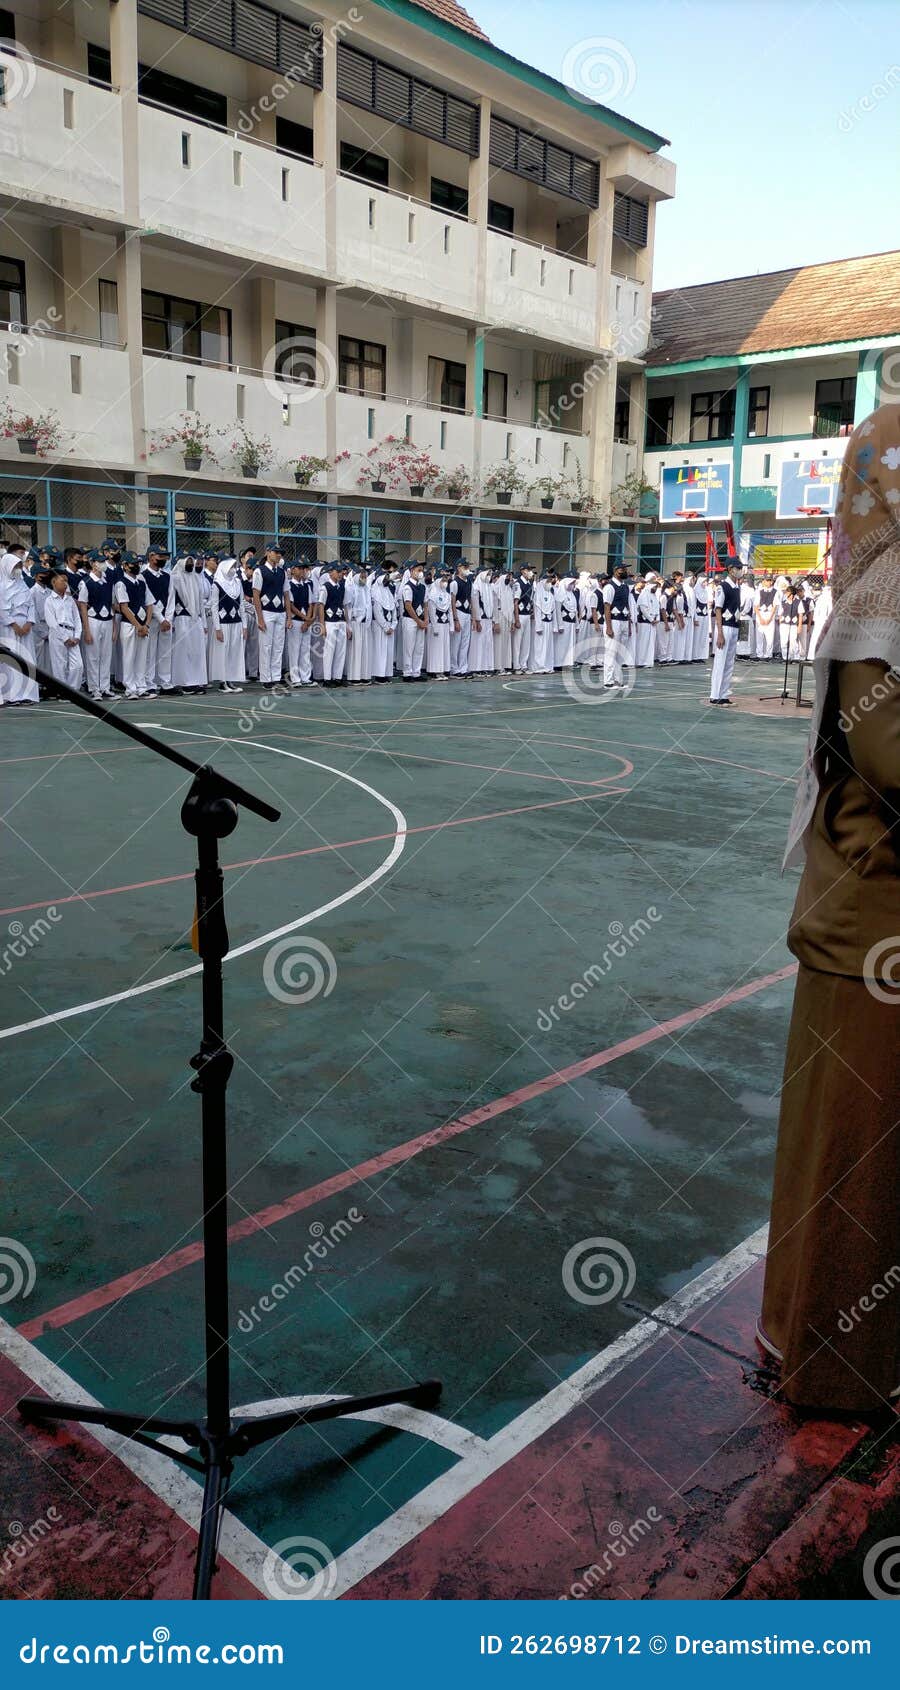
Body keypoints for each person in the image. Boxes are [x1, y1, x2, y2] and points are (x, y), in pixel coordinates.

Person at [760, 402, 900, 1412]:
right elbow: (891, 760)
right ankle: (842, 1367)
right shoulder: (883, 599)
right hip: (873, 933)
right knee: (855, 1167)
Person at [0, 549, 39, 705]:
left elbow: (31, 605)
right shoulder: (1, 586)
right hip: (9, 628)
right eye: (14, 566)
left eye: (19, 566)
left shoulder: (23, 585)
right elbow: (2, 609)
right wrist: (14, 625)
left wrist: (29, 623)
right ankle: (12, 695)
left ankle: (27, 694)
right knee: (11, 659)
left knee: (27, 658)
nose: (17, 569)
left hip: (26, 627)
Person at [77, 551, 115, 700]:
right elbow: (83, 606)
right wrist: (86, 630)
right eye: (100, 561)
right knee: (93, 656)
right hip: (93, 620)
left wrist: (114, 627)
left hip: (108, 620)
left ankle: (105, 687)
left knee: (106, 655)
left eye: (104, 561)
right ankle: (94, 688)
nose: (103, 564)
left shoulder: (108, 581)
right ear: (93, 563)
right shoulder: (85, 582)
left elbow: (112, 605)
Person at [114, 552, 152, 699]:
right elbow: (124, 607)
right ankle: (130, 688)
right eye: (133, 564)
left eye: (138, 563)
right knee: (129, 657)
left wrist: (146, 624)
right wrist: (138, 626)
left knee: (141, 657)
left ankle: (141, 686)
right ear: (125, 566)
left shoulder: (142, 582)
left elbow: (149, 604)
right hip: (129, 625)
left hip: (143, 625)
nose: (136, 566)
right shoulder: (121, 583)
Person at [207, 555, 245, 692]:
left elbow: (241, 605)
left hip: (236, 622)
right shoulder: (217, 584)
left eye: (234, 567)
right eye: (231, 567)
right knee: (223, 652)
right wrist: (217, 628)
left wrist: (244, 626)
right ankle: (222, 681)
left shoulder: (237, 583)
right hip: (223, 623)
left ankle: (230, 679)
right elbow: (214, 607)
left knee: (234, 652)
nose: (233, 570)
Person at [253, 543, 289, 686]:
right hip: (266, 611)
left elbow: (286, 594)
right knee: (266, 646)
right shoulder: (260, 571)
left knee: (278, 646)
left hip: (280, 612)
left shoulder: (282, 572)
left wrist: (288, 617)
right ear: (268, 553)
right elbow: (256, 594)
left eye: (280, 553)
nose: (279, 555)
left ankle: (276, 676)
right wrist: (260, 618)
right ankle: (266, 678)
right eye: (276, 552)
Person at [170, 555, 207, 693]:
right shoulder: (175, 578)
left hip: (196, 619)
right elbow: (171, 600)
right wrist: (170, 620)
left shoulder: (195, 577)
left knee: (196, 651)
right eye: (188, 561)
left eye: (192, 561)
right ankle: (184, 682)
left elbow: (200, 602)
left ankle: (196, 680)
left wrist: (203, 623)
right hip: (181, 619)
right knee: (183, 652)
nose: (191, 564)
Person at [708, 558, 742, 705]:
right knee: (720, 661)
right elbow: (718, 609)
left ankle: (723, 694)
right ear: (730, 569)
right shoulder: (723, 586)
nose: (740, 570)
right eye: (737, 568)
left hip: (734, 626)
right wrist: (720, 633)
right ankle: (715, 695)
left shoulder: (737, 587)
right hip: (725, 627)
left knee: (729, 663)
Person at [44, 568, 84, 689]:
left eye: (67, 581)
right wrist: (65, 638)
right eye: (63, 581)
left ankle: (73, 689)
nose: (66, 584)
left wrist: (77, 636)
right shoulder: (49, 600)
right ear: (54, 582)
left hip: (72, 633)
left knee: (78, 665)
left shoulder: (70, 600)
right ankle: (62, 691)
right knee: (60, 665)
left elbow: (77, 619)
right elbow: (52, 622)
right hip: (58, 634)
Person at [143, 547, 174, 694]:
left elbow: (171, 598)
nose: (163, 560)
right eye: (160, 557)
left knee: (165, 652)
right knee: (149, 652)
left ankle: (165, 681)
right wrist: (161, 619)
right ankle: (149, 682)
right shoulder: (143, 576)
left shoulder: (167, 576)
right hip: (152, 619)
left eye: (165, 557)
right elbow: (148, 600)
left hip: (166, 621)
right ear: (151, 556)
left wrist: (168, 619)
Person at [317, 560, 349, 686]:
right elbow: (321, 605)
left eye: (342, 572)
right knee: (329, 651)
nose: (340, 574)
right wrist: (322, 625)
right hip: (329, 622)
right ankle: (327, 678)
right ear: (331, 572)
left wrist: (347, 624)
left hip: (340, 620)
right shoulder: (325, 587)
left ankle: (337, 677)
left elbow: (344, 605)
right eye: (338, 571)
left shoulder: (342, 586)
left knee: (341, 651)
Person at [602, 562, 633, 688]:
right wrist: (609, 627)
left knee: (620, 653)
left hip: (624, 620)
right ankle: (608, 681)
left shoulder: (625, 587)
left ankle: (618, 680)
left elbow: (628, 606)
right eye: (623, 569)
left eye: (625, 569)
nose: (625, 571)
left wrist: (629, 626)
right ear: (616, 571)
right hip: (614, 621)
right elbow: (607, 607)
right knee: (611, 652)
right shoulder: (609, 587)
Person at [286, 562, 315, 686]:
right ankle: (295, 678)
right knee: (294, 650)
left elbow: (310, 604)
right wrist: (304, 618)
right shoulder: (289, 585)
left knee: (305, 650)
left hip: (305, 622)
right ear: (293, 570)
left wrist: (307, 621)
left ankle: (305, 677)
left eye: (304, 568)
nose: (303, 571)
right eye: (300, 568)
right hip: (296, 620)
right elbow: (290, 605)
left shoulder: (306, 586)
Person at [370, 565, 398, 683]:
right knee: (380, 650)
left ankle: (386, 673)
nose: (387, 581)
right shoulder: (375, 592)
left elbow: (394, 610)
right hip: (379, 626)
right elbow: (377, 612)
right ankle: (379, 675)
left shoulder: (389, 592)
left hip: (390, 626)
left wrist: (393, 625)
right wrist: (386, 627)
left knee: (388, 651)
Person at [400, 560, 427, 681]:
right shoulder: (407, 587)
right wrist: (418, 621)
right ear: (412, 571)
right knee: (409, 647)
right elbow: (408, 606)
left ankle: (416, 672)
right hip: (410, 620)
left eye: (422, 570)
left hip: (420, 619)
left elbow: (425, 604)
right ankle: (407, 673)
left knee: (419, 647)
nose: (421, 572)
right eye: (418, 570)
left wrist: (425, 619)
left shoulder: (422, 587)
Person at [346, 564, 372, 683]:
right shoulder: (351, 588)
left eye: (365, 576)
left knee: (364, 650)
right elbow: (348, 607)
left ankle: (364, 676)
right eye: (361, 576)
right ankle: (354, 677)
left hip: (364, 624)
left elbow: (368, 606)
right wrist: (349, 625)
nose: (364, 578)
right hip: (354, 623)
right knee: (355, 651)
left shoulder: (366, 589)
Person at [425, 569, 453, 679]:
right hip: (436, 625)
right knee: (436, 648)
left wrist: (451, 626)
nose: (444, 583)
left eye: (446, 581)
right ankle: (435, 671)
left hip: (445, 625)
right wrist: (435, 626)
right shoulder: (432, 594)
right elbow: (431, 612)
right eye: (442, 580)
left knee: (444, 647)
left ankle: (443, 669)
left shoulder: (447, 595)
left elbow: (450, 611)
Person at [633, 572, 659, 668]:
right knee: (643, 643)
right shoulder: (644, 594)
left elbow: (657, 608)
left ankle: (648, 662)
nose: (656, 588)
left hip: (653, 623)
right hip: (644, 622)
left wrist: (657, 619)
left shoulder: (654, 595)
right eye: (655, 586)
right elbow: (643, 609)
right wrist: (651, 619)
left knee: (650, 643)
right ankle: (641, 661)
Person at [513, 567, 534, 673]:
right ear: (522, 571)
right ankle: (516, 665)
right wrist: (517, 619)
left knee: (526, 642)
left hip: (527, 615)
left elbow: (530, 600)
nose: (530, 572)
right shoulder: (518, 583)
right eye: (528, 570)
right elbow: (515, 602)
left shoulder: (530, 584)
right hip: (520, 615)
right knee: (518, 642)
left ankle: (523, 664)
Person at [754, 573, 779, 660]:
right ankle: (759, 654)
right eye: (767, 580)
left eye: (770, 580)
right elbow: (756, 605)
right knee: (759, 636)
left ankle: (768, 654)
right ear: (764, 581)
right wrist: (760, 618)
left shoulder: (776, 591)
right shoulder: (759, 591)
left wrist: (770, 618)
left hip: (769, 614)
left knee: (769, 637)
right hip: (761, 613)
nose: (769, 582)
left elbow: (775, 606)